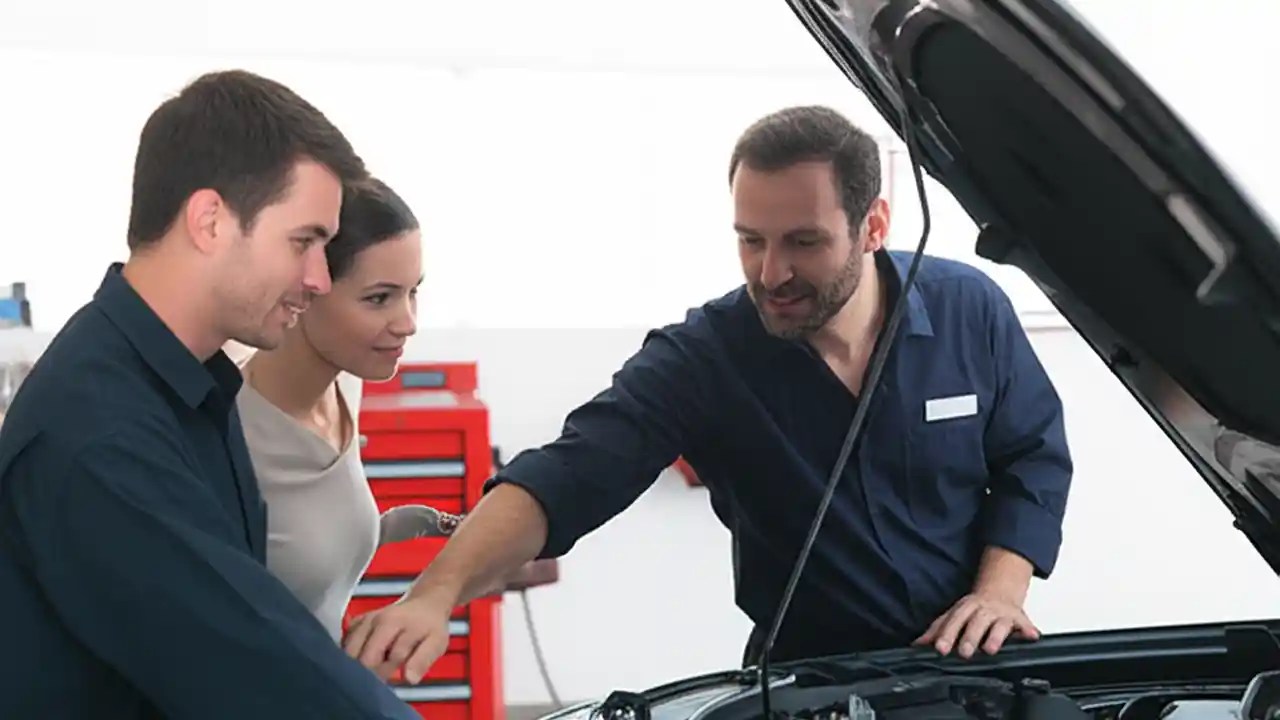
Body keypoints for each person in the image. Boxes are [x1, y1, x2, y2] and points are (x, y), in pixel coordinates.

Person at [343, 105, 1074, 680]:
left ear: (873, 226)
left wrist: (1000, 592)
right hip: (807, 687)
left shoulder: (970, 311)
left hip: (974, 673)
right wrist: (437, 593)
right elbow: (570, 473)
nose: (770, 272)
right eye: (750, 240)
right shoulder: (707, 358)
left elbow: (1032, 458)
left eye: (803, 243)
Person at [0, 69, 419, 718]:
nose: (316, 279)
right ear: (210, 221)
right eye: (304, 242)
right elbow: (259, 662)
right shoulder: (101, 433)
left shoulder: (188, 391)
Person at [232, 177, 460, 645]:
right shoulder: (228, 433)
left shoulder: (345, 383)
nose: (408, 323)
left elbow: (307, 542)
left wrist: (435, 526)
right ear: (306, 288)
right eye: (379, 298)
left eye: (412, 292)